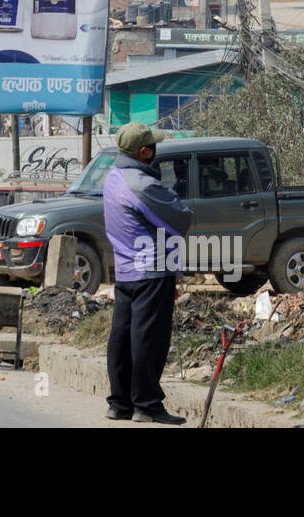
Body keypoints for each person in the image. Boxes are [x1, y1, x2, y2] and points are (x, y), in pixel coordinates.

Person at [102, 122, 193, 425]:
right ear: (144, 152)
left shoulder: (112, 178)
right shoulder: (141, 184)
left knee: (123, 335)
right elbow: (181, 218)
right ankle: (147, 404)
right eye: (152, 147)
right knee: (148, 339)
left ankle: (120, 403)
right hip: (152, 271)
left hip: (126, 270)